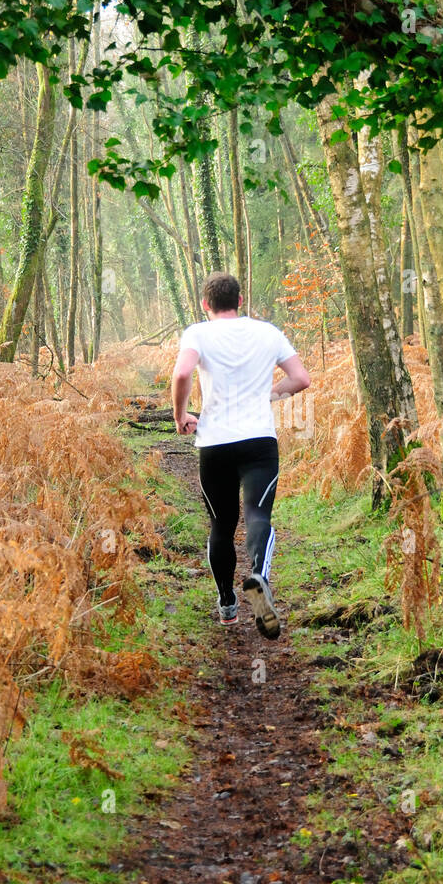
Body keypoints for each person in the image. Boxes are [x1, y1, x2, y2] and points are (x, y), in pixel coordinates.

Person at [170, 272, 311, 639]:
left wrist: (180, 415)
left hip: (214, 442)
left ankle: (227, 602)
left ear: (205, 304)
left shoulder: (197, 333)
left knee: (222, 524)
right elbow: (301, 378)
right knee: (257, 514)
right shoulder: (268, 332)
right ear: (241, 300)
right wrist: (269, 395)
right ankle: (259, 578)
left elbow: (183, 371)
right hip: (258, 443)